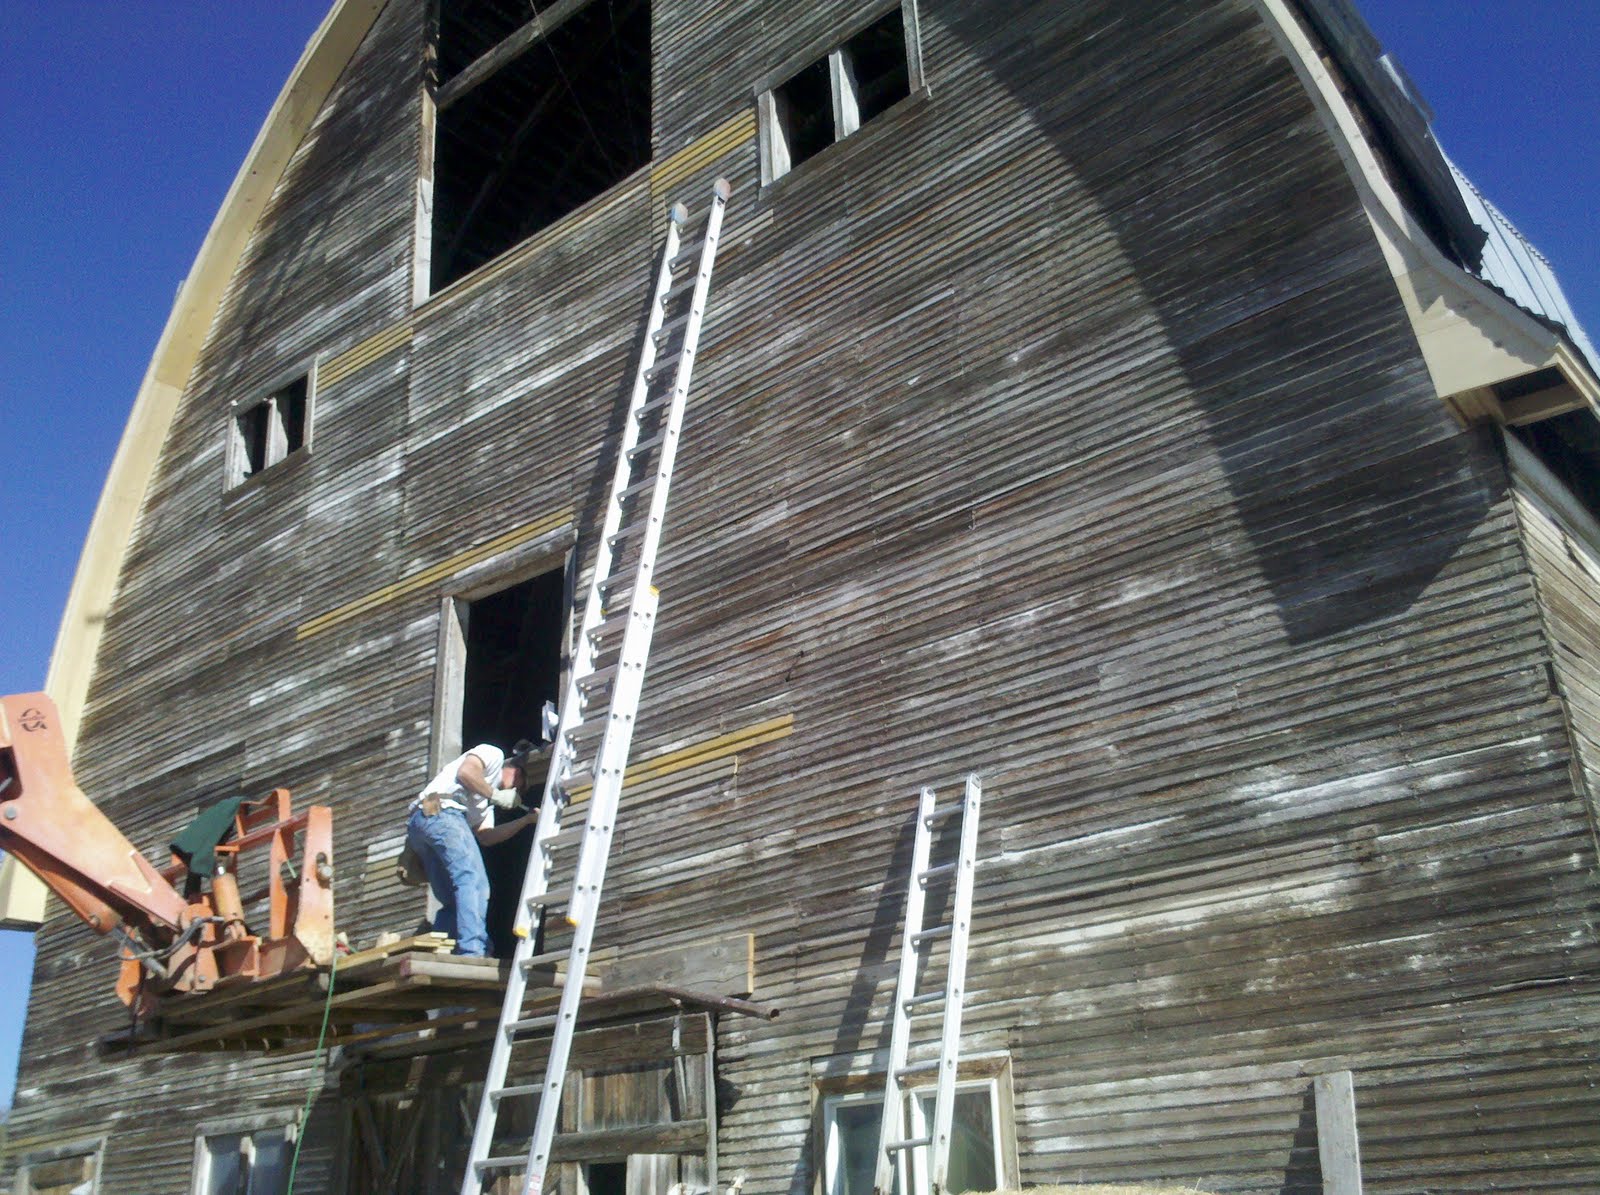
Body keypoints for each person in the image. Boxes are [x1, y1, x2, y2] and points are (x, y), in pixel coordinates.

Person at [406, 740, 538, 957]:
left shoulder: (484, 806)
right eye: (520, 783)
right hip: (442, 811)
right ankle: (473, 950)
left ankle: (445, 950)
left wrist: (525, 821)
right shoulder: (493, 754)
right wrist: (496, 795)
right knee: (474, 883)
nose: (517, 790)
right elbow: (466, 772)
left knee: (452, 896)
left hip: (425, 821)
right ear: (513, 769)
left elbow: (486, 836)